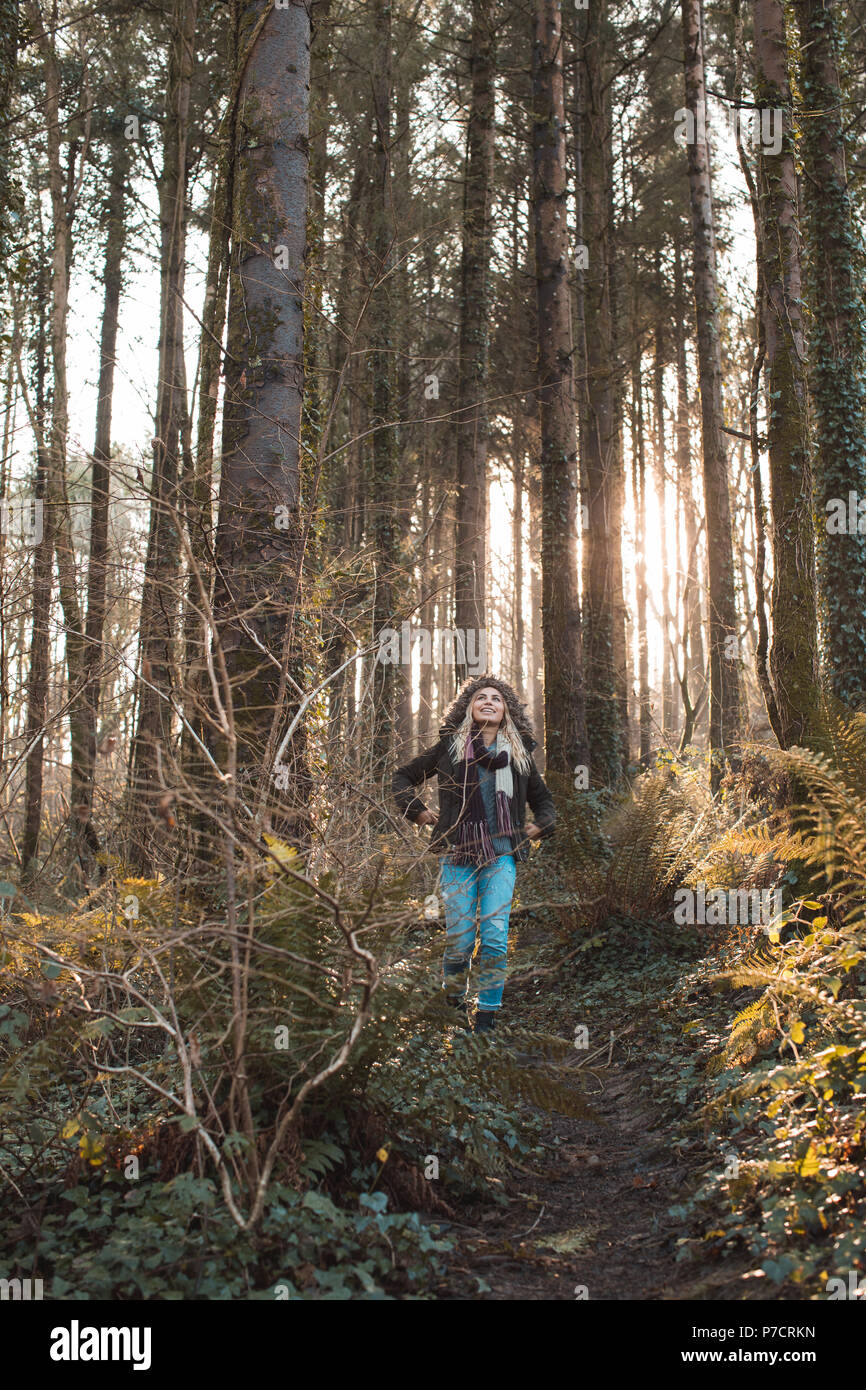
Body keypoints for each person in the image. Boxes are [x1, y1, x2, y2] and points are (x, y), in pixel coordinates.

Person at [393, 675, 555, 1032]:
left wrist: (541, 824)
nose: (488, 702)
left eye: (496, 699)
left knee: (495, 937)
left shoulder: (519, 756)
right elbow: (402, 777)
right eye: (480, 697)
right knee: (461, 940)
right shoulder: (449, 750)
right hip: (456, 856)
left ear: (506, 711)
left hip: (501, 857)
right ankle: (453, 1005)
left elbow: (544, 802)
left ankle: (486, 1018)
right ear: (468, 707)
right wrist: (416, 810)